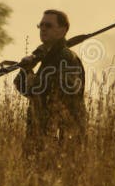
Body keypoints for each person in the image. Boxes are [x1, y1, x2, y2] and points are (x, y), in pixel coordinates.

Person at [14, 9, 87, 164]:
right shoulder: (47, 57)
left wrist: (30, 70)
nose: (43, 28)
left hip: (62, 139)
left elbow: (52, 94)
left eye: (48, 25)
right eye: (41, 25)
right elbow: (22, 86)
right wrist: (26, 67)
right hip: (40, 137)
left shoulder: (66, 59)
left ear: (63, 30)